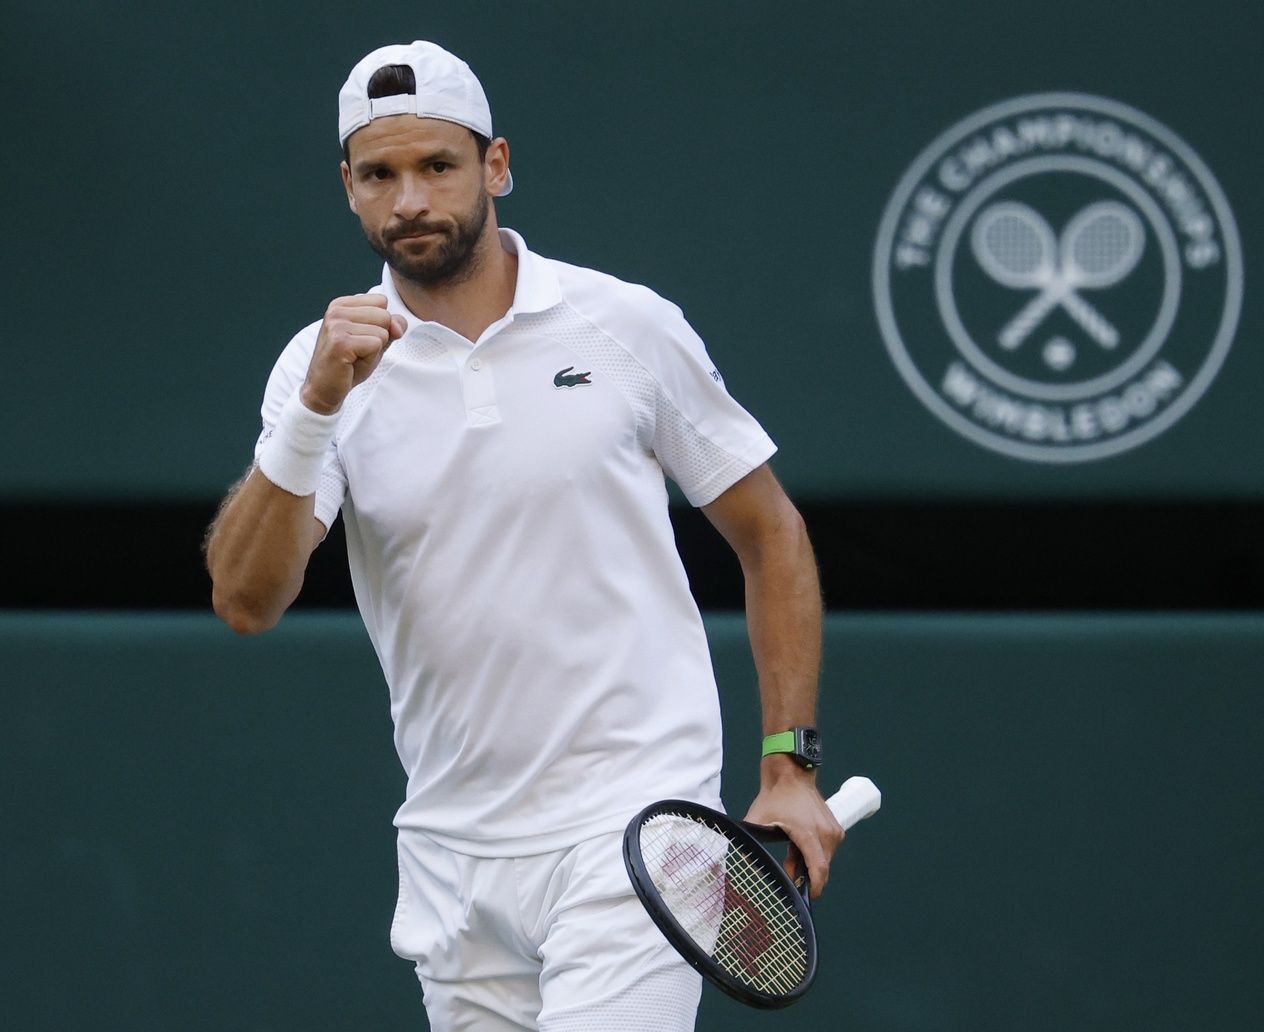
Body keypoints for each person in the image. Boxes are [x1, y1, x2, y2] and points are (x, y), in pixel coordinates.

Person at [203, 39, 842, 1032]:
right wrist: (315, 411)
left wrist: (787, 765)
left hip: (636, 830)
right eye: (380, 174)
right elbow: (247, 600)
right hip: (453, 860)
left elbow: (771, 534)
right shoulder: (313, 369)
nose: (409, 198)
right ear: (349, 189)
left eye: (436, 167)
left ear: (495, 167)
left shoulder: (625, 325)